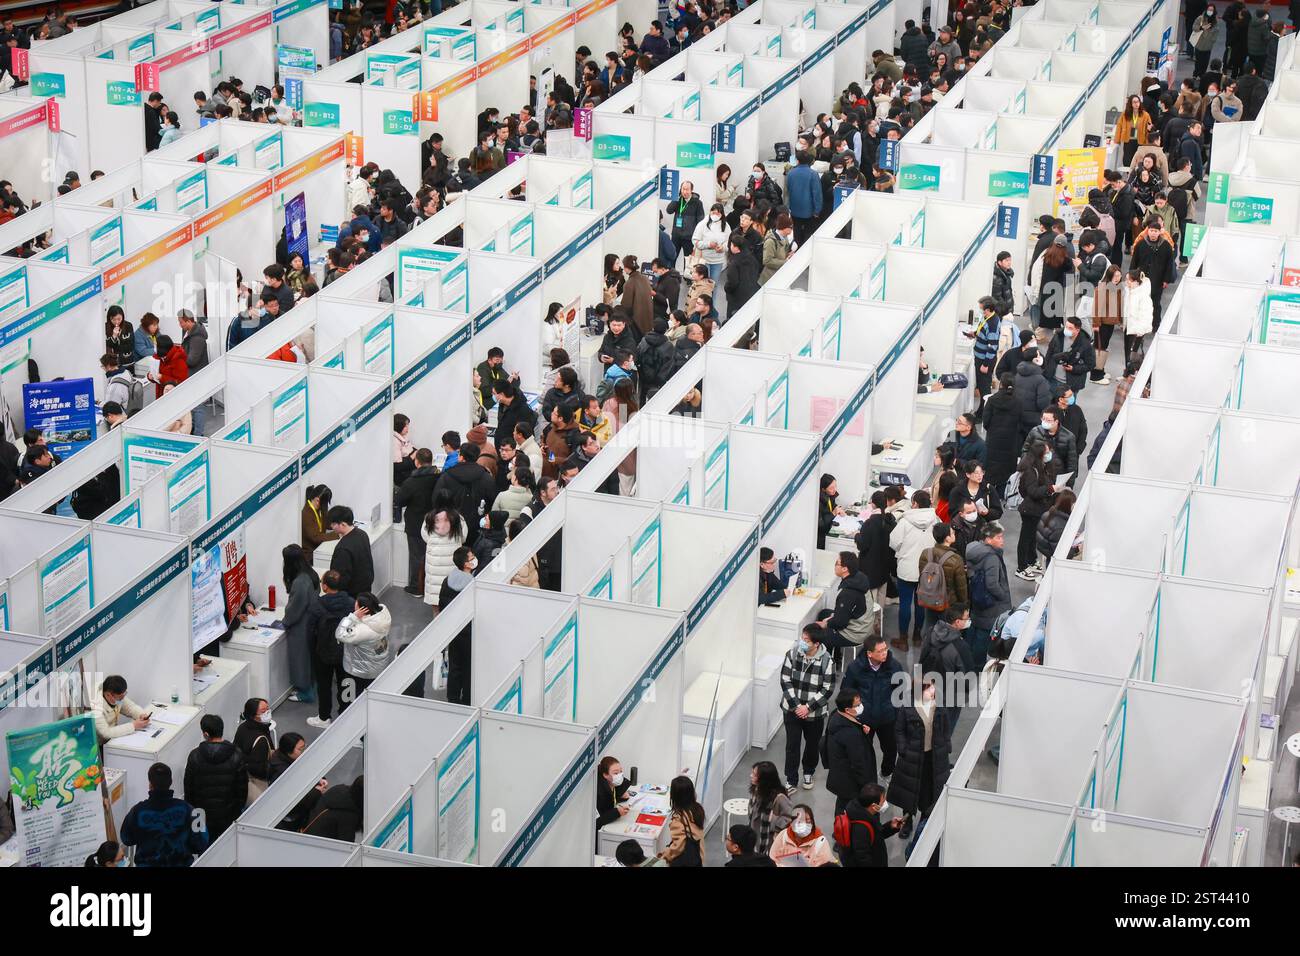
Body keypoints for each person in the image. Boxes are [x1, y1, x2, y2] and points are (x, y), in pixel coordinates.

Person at [888, 678, 952, 839]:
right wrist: (903, 749)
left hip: (933, 756)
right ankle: (906, 821)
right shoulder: (907, 707)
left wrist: (946, 745)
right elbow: (899, 730)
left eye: (933, 687)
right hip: (912, 757)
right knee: (909, 791)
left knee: (930, 789)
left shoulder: (939, 706)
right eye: (929, 688)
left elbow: (946, 728)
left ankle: (925, 819)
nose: (933, 691)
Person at [779, 626, 836, 791]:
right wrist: (797, 706)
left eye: (806, 640)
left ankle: (808, 772)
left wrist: (808, 707)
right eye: (802, 638)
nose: (802, 642)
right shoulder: (792, 654)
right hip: (792, 710)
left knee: (812, 745)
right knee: (792, 745)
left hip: (815, 713)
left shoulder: (827, 661)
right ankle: (791, 779)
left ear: (816, 644)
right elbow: (785, 680)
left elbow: (828, 689)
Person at [121, 763, 208, 866]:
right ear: (170, 782)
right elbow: (202, 842)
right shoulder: (188, 809)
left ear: (150, 784)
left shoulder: (137, 812)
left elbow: (126, 839)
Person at [841, 636, 903, 779]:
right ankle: (866, 779)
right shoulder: (855, 668)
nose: (885, 653)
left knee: (891, 749)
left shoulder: (894, 666)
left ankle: (886, 773)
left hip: (887, 718)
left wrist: (895, 711)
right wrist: (855, 712)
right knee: (862, 752)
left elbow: (901, 691)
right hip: (864, 719)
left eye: (885, 649)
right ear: (869, 653)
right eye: (880, 651)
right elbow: (846, 691)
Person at [182, 714, 248, 842]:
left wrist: (193, 814)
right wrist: (236, 811)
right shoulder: (236, 754)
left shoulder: (194, 756)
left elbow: (188, 790)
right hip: (228, 814)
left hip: (201, 815)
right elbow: (242, 789)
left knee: (202, 847)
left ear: (205, 734)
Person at [888, 490, 937, 649]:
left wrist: (903, 551)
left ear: (915, 503)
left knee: (905, 604)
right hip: (927, 569)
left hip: (907, 569)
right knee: (921, 604)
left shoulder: (905, 521)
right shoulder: (936, 520)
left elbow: (894, 542)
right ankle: (917, 637)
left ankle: (903, 639)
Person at [964, 522, 1011, 669]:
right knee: (983, 637)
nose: (1002, 540)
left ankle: (967, 661)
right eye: (999, 537)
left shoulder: (974, 550)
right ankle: (976, 667)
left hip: (977, 599)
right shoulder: (991, 557)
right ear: (989, 539)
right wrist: (1003, 596)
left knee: (974, 631)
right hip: (990, 604)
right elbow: (992, 584)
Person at [309, 570, 353, 729]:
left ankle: (324, 717)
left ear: (325, 586)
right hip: (345, 650)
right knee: (346, 683)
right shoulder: (350, 602)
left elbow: (311, 629)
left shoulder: (317, 604)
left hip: (323, 651)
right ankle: (346, 716)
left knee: (324, 685)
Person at [823, 688, 875, 813]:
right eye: (857, 705)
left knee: (842, 806)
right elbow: (858, 763)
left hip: (841, 778)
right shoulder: (851, 734)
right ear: (847, 710)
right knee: (850, 812)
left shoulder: (836, 715)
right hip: (852, 784)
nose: (861, 706)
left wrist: (861, 729)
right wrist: (867, 787)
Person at [395, 449, 438, 595]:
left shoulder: (411, 482)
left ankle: (417, 587)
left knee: (416, 557)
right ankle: (431, 586)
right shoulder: (440, 477)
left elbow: (400, 500)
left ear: (417, 462)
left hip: (415, 523)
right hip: (436, 522)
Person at [281, 544, 320, 704]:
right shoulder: (310, 573)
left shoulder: (300, 582)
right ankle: (311, 685)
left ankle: (305, 692)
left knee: (300, 658)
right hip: (311, 621)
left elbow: (295, 608)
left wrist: (285, 622)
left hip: (301, 626)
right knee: (309, 657)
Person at [813, 552, 876, 650]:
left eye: (837, 563)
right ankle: (835, 651)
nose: (834, 566)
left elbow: (840, 623)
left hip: (854, 634)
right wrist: (830, 619)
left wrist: (826, 623)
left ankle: (831, 658)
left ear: (845, 569)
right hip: (864, 625)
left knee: (817, 636)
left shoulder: (848, 593)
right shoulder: (859, 577)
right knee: (824, 613)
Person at [1014, 440, 1059, 579]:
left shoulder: (1043, 467)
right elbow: (1032, 491)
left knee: (1033, 537)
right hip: (1030, 510)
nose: (1049, 454)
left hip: (1038, 509)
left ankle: (1032, 560)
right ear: (1040, 454)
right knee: (1025, 538)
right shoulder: (1031, 470)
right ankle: (1021, 567)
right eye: (1046, 452)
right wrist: (1049, 489)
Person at [336, 592, 392, 700]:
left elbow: (340, 634)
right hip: (378, 668)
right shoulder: (382, 618)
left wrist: (352, 617)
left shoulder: (363, 630)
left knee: (350, 700)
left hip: (359, 672)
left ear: (362, 609)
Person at [837, 782, 904, 867]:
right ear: (873, 806)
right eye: (883, 801)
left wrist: (890, 826)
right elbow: (862, 858)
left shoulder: (867, 813)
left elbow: (876, 835)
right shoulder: (860, 829)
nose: (884, 802)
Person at [440, 548, 476, 704]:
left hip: (453, 631)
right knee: (469, 667)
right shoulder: (473, 586)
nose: (474, 559)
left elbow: (442, 606)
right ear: (466, 564)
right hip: (469, 633)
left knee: (455, 664)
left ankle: (453, 697)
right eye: (471, 557)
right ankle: (467, 699)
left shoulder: (447, 581)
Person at [1021, 405, 1079, 484]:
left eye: (1048, 420)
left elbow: (1072, 464)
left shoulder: (1069, 437)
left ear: (1056, 421)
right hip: (1036, 475)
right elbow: (1025, 450)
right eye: (1043, 419)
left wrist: (1069, 485)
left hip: (1056, 477)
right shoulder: (1035, 431)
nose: (1044, 422)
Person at [748, 760, 795, 855]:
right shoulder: (756, 789)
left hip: (769, 840)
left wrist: (773, 820)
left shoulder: (779, 797)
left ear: (764, 779)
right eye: (752, 773)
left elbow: (789, 817)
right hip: (755, 835)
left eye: (755, 775)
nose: (751, 776)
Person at [327, 505, 375, 596]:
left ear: (343, 524)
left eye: (333, 524)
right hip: (366, 588)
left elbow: (340, 577)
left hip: (351, 594)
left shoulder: (343, 548)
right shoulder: (362, 534)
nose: (331, 526)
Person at [769, 804, 838, 866]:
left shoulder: (820, 843)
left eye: (808, 821)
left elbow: (825, 865)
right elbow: (773, 857)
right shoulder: (783, 836)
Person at [658, 776, 705, 866]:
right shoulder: (697, 809)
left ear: (675, 796)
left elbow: (678, 847)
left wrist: (663, 856)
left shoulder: (679, 819)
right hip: (698, 856)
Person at [302, 776, 364, 841]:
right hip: (316, 844)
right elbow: (347, 844)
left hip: (307, 835)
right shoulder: (349, 815)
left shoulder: (338, 789)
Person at [91, 675, 150, 743]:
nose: (122, 699)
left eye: (124, 695)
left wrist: (141, 714)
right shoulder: (95, 706)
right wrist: (133, 726)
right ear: (108, 694)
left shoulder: (117, 696)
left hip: (112, 739)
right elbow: (106, 733)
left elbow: (131, 708)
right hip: (98, 743)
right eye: (120, 697)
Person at [234, 698, 275, 795]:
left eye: (268, 709)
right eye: (263, 711)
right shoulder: (261, 740)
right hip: (255, 781)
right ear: (254, 716)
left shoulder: (242, 727)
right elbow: (259, 770)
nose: (268, 712)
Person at [721, 231, 759, 320]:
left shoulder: (734, 262)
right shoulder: (752, 259)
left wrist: (727, 288)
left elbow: (733, 282)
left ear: (736, 247)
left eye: (731, 245)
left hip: (736, 298)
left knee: (732, 320)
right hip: (750, 294)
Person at [666, 180, 704, 267]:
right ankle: (671, 275)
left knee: (688, 262)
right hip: (676, 236)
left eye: (687, 189)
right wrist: (676, 198)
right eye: (683, 189)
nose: (685, 192)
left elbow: (700, 221)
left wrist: (698, 238)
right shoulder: (678, 200)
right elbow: (669, 210)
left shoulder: (697, 203)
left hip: (689, 237)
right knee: (671, 258)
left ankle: (687, 276)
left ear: (691, 190)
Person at [1036, 487, 1077, 569]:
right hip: (1055, 564)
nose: (1075, 506)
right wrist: (1076, 549)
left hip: (1047, 554)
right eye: (1074, 504)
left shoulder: (1048, 513)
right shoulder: (1059, 526)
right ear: (1067, 505)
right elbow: (1062, 554)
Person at [1123, 268, 1155, 365]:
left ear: (1136, 281)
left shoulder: (1143, 295)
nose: (1126, 282)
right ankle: (1127, 371)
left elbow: (1147, 315)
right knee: (1127, 352)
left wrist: (1140, 331)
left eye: (1128, 280)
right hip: (1128, 327)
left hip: (1137, 329)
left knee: (1132, 355)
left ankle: (1131, 371)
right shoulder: (1128, 291)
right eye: (1126, 279)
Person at [301, 484, 339, 565]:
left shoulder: (319, 509)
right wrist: (337, 534)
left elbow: (327, 523)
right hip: (311, 555)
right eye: (324, 503)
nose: (324, 506)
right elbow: (316, 537)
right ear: (317, 499)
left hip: (320, 548)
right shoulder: (306, 514)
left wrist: (340, 524)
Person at [1114, 92, 1153, 168]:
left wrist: (1148, 139)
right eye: (1134, 102)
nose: (1136, 104)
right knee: (1127, 160)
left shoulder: (1145, 115)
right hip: (1128, 140)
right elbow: (1119, 126)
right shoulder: (1125, 114)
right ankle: (1128, 174)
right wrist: (1117, 140)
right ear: (1130, 104)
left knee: (1139, 160)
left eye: (1138, 102)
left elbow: (1150, 128)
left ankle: (1137, 173)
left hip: (1140, 140)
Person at [595, 754, 633, 828]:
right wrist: (617, 812)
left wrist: (621, 796)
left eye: (621, 771)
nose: (620, 775)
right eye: (616, 773)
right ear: (605, 775)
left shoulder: (612, 783)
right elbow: (597, 822)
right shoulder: (598, 793)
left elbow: (613, 798)